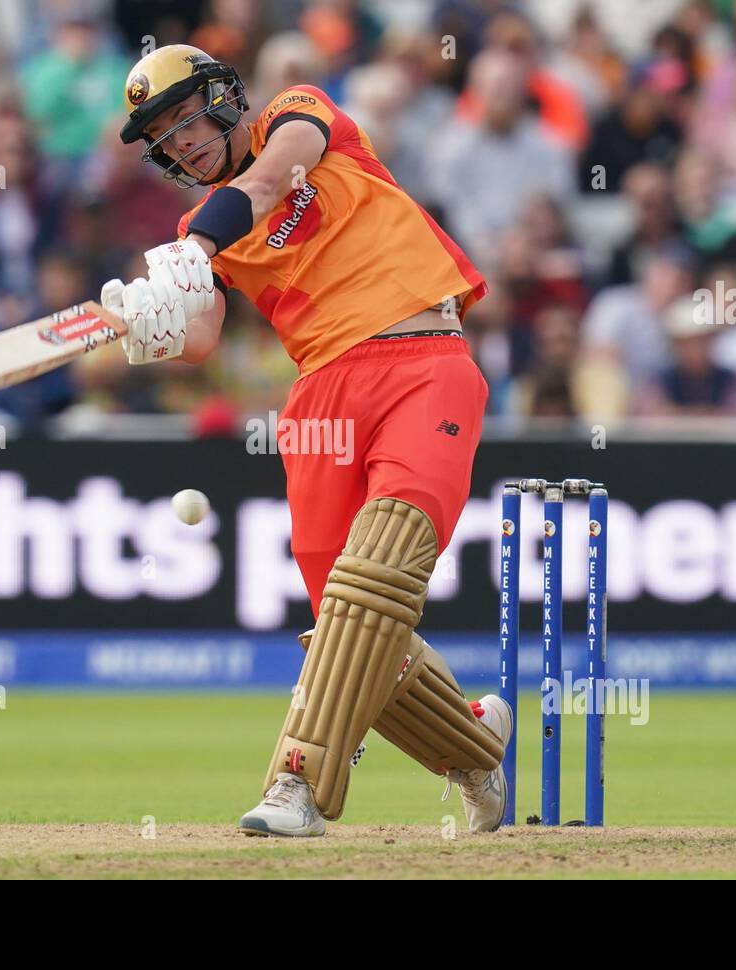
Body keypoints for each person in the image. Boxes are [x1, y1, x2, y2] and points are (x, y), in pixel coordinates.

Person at [101, 45, 508, 837]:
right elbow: (202, 337)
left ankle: (300, 784)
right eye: (163, 133)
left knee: (374, 576)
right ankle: (474, 745)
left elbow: (266, 183)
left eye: (186, 115)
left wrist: (196, 251)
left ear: (222, 96)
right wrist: (144, 323)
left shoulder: (299, 113)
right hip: (320, 399)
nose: (180, 139)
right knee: (349, 628)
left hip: (423, 360)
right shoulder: (196, 229)